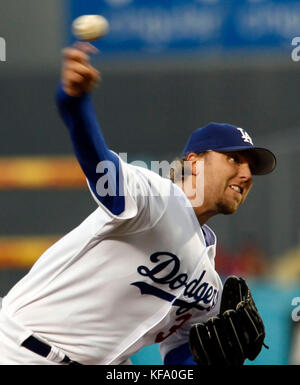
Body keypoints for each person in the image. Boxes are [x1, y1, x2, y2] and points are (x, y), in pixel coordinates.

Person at [0, 43, 276, 365]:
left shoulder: (210, 284)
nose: (246, 174)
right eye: (233, 159)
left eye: (251, 169)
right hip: (20, 350)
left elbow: (178, 360)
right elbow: (98, 163)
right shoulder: (155, 199)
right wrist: (75, 105)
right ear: (194, 162)